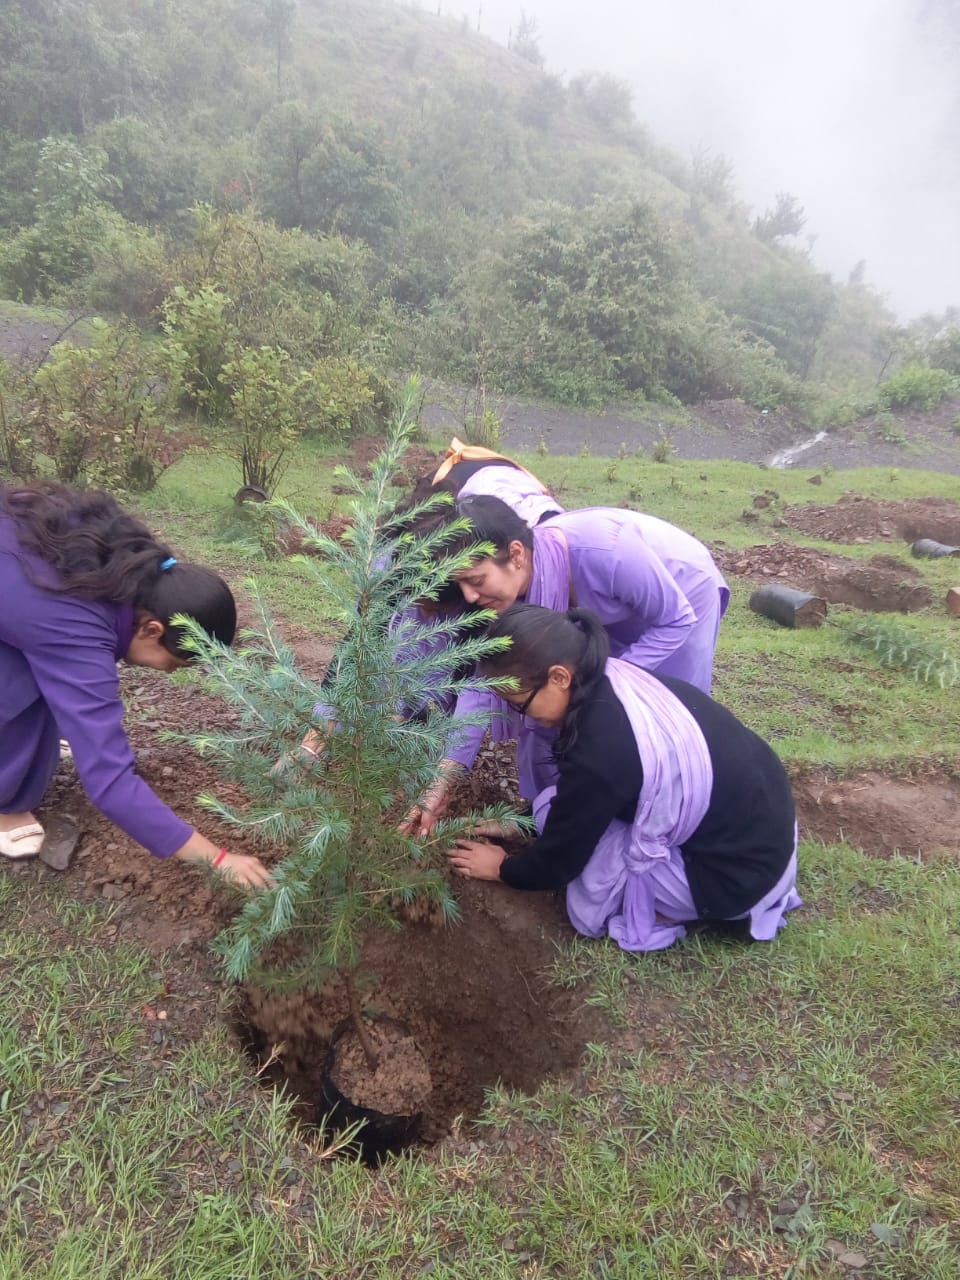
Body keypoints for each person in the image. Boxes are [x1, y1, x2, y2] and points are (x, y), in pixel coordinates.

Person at [446, 604, 801, 952]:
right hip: (764, 830)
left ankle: (673, 906)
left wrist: (502, 868)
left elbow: (556, 865)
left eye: (520, 703)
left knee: (590, 886)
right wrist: (519, 823)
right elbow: (576, 802)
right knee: (546, 807)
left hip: (735, 876)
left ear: (559, 677)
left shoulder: (601, 749)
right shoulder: (611, 679)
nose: (523, 717)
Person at [402, 494, 730, 833]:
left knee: (644, 715)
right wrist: (443, 778)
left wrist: (603, 680)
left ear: (515, 554)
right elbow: (482, 686)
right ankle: (546, 818)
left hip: (681, 598)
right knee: (548, 700)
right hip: (607, 613)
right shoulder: (507, 600)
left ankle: (653, 817)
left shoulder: (608, 552)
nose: (469, 596)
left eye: (477, 580)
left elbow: (675, 619)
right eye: (461, 584)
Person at [0, 482, 271, 887]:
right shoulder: (75, 626)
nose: (165, 673)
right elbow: (109, 781)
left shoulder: (123, 566)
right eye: (174, 664)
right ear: (152, 628)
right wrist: (217, 859)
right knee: (18, 684)